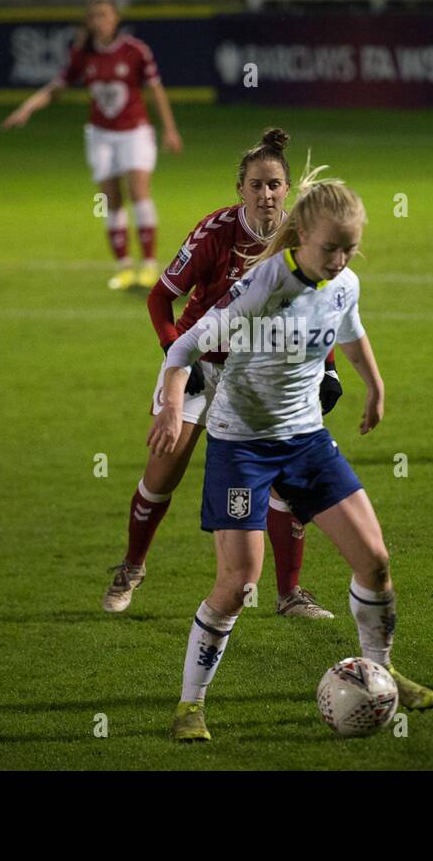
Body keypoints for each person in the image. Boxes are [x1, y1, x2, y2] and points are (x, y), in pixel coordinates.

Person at [149, 165, 433, 741]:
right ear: (301, 234)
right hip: (241, 448)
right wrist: (168, 405)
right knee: (238, 584)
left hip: (306, 442)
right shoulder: (262, 285)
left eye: (350, 250)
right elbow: (184, 346)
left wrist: (376, 387)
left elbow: (350, 328)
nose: (339, 261)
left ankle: (379, 670)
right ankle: (190, 705)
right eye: (330, 249)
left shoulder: (346, 282)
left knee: (375, 561)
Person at [105, 129, 340, 618]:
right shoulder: (216, 233)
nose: (266, 194)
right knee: (163, 472)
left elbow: (318, 306)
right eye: (256, 185)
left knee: (287, 480)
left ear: (288, 188)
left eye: (274, 184)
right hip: (199, 365)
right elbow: (159, 297)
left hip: (257, 377)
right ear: (241, 190)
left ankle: (289, 594)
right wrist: (177, 357)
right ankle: (131, 566)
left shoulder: (301, 239)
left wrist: (330, 371)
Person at [1, 0, 183, 290]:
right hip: (100, 135)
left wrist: (170, 129)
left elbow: (156, 90)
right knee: (111, 198)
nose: (100, 21)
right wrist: (27, 108)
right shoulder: (82, 53)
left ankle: (149, 265)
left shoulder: (135, 51)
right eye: (95, 16)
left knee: (139, 191)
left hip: (135, 131)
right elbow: (56, 87)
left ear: (116, 18)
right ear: (89, 21)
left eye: (105, 15)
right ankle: (124, 267)